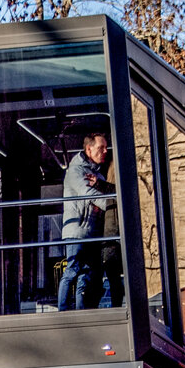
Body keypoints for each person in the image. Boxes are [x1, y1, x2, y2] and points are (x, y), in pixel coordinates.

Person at [58, 133, 115, 310]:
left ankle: (81, 312)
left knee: (85, 275)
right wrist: (114, 203)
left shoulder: (98, 175)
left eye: (106, 147)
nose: (105, 151)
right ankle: (63, 310)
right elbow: (89, 194)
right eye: (101, 147)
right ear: (89, 149)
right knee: (73, 270)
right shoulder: (75, 171)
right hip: (78, 230)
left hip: (91, 231)